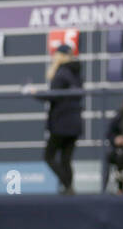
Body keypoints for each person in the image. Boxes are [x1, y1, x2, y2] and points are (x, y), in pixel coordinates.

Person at [23, 42, 84, 193]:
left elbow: (53, 96)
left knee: (49, 156)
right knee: (65, 159)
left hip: (61, 123)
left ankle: (68, 187)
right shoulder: (76, 73)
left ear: (59, 57)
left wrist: (34, 92)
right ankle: (68, 189)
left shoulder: (62, 73)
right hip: (75, 123)